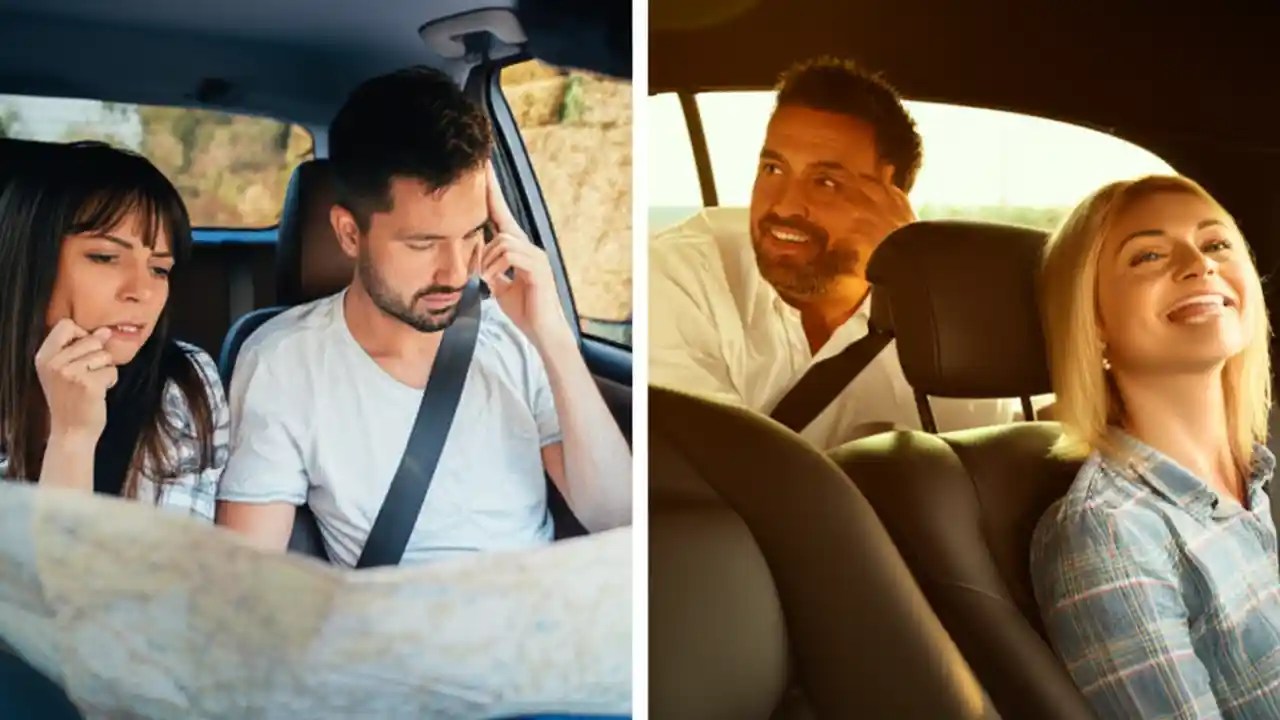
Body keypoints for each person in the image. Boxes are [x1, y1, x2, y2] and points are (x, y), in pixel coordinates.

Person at [216, 67, 632, 565]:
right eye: (422, 244)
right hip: (399, 612)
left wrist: (552, 335)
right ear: (349, 234)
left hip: (540, 607)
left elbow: (617, 518)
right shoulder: (284, 362)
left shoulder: (517, 336)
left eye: (472, 234)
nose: (456, 272)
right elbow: (249, 577)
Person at [648, 56, 1015, 450]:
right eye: (773, 169)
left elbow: (969, 464)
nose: (785, 204)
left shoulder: (943, 332)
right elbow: (713, 464)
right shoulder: (683, 272)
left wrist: (912, 268)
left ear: (891, 200)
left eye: (825, 182)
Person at [1031, 175, 1279, 719]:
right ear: (1093, 319)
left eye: (1216, 243)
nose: (1200, 264)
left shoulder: (1256, 476)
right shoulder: (1109, 532)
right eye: (1148, 256)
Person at [0, 141, 228, 519]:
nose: (142, 291)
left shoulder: (179, 385)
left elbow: (163, 556)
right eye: (106, 258)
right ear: (32, 257)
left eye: (159, 269)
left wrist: (74, 439)